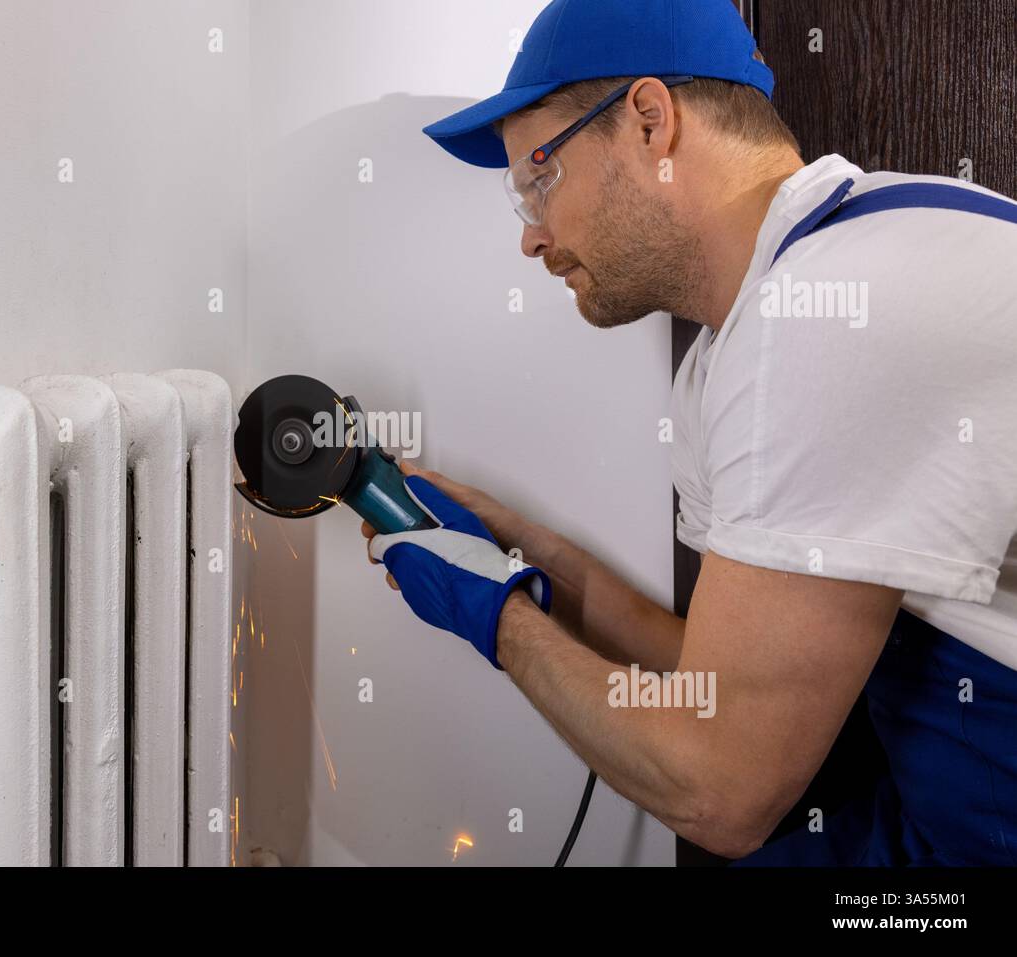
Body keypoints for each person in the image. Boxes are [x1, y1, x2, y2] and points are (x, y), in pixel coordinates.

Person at [363, 0, 1017, 865]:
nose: (530, 234)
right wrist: (523, 551)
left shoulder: (823, 318)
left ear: (648, 122)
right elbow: (723, 678)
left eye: (538, 178)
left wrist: (500, 619)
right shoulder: (754, 330)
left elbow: (720, 791)